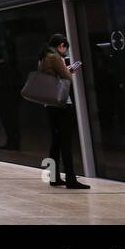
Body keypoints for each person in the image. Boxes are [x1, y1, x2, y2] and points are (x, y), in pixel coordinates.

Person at [39, 33, 90, 189]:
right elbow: (66, 77)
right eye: (65, 47)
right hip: (61, 104)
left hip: (49, 104)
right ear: (60, 46)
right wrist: (69, 70)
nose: (65, 51)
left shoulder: (43, 58)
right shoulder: (54, 57)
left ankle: (54, 177)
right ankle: (71, 179)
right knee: (66, 141)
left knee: (56, 141)